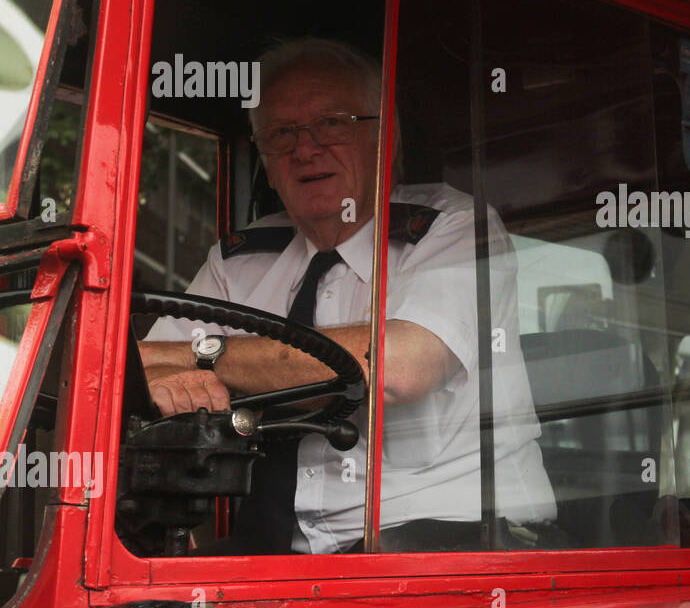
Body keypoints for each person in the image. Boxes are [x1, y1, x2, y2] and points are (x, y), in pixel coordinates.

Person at [138, 37, 557, 554]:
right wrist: (168, 374)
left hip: (452, 540)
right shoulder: (238, 260)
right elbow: (140, 368)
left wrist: (203, 357)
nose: (305, 149)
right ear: (265, 161)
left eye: (332, 123)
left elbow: (396, 368)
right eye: (280, 133)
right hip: (282, 549)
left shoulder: (453, 228)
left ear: (388, 136)